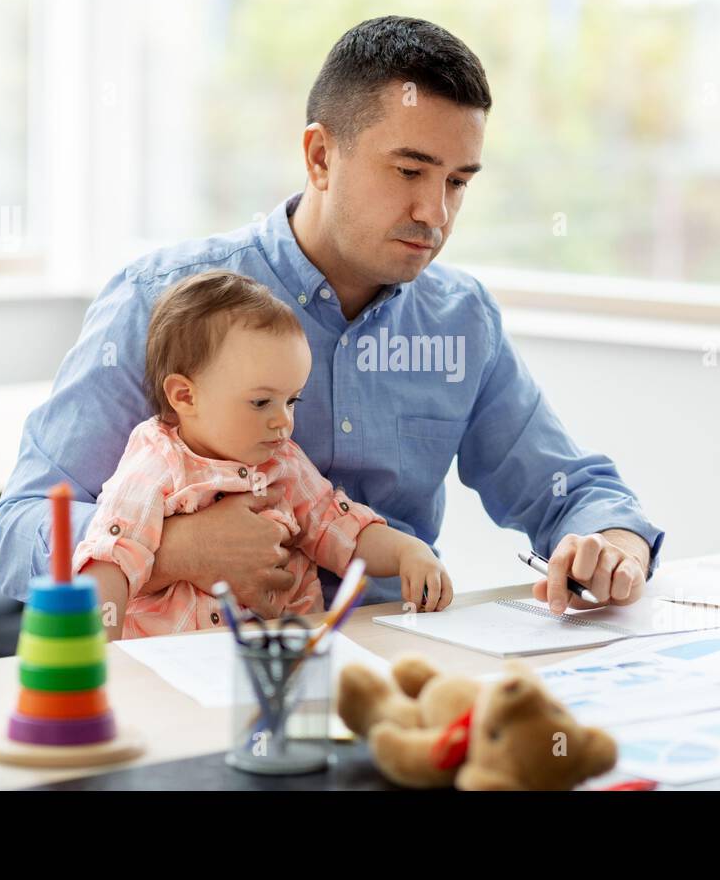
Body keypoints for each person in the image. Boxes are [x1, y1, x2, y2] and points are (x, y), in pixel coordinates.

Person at [0, 14, 664, 619]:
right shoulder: (162, 301)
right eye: (409, 172)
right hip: (188, 673)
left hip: (387, 678)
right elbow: (16, 532)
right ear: (319, 156)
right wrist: (176, 550)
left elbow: (570, 490)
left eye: (457, 182)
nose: (436, 212)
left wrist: (612, 549)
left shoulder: (460, 322)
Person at [73, 270, 452, 639]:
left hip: (287, 653)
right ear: (185, 396)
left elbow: (338, 528)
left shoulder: (283, 461)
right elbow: (110, 562)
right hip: (176, 663)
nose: (282, 422)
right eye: (260, 402)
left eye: (291, 401)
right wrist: (99, 662)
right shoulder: (156, 462)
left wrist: (408, 551)